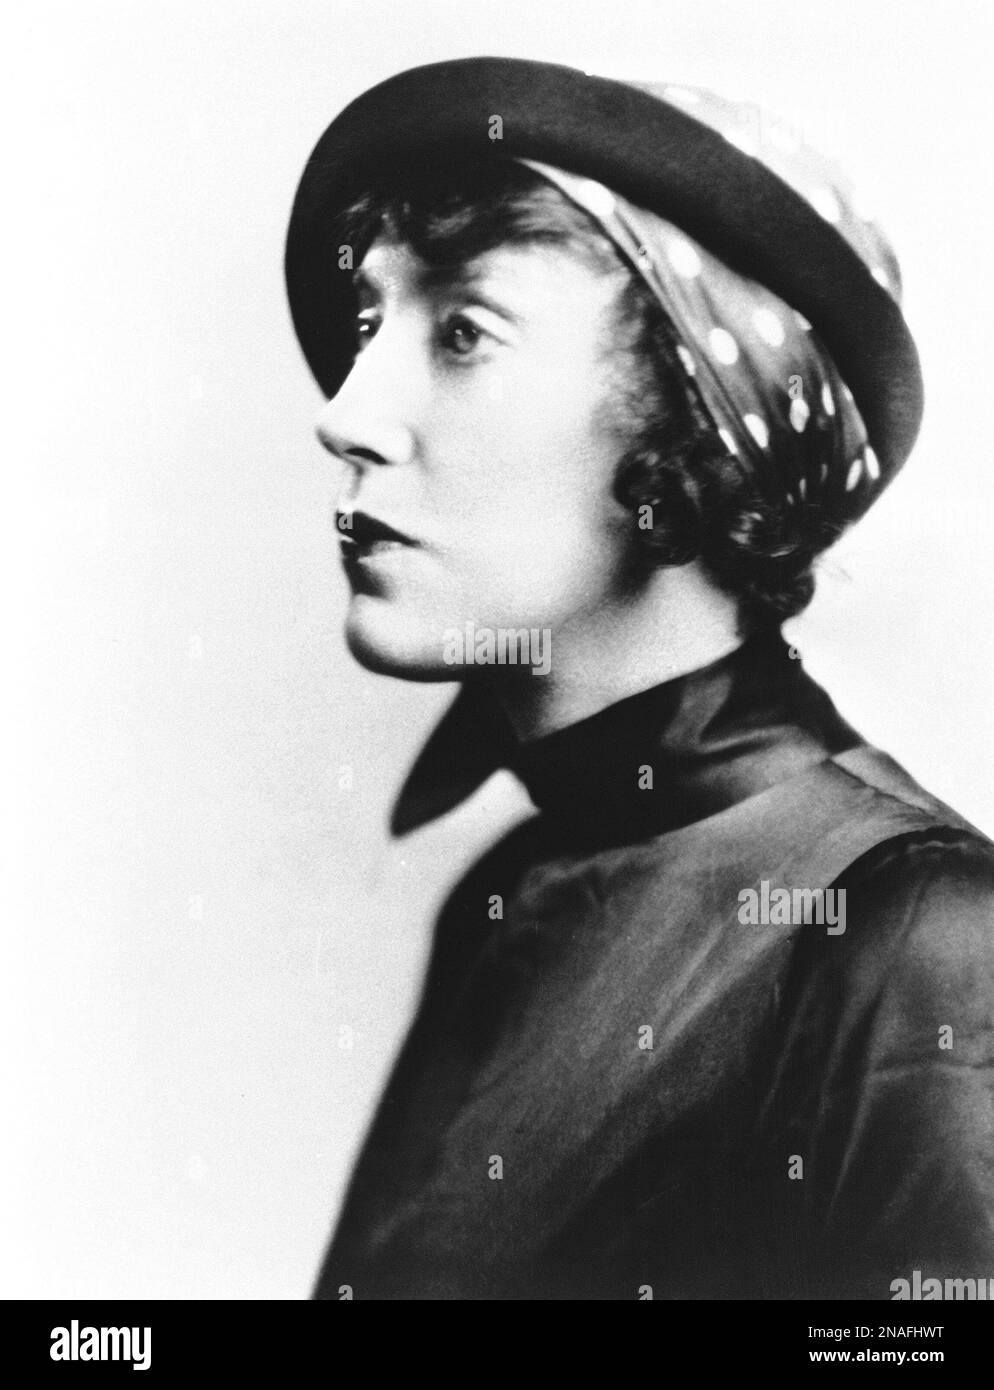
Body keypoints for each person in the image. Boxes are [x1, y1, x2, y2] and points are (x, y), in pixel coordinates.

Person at [284, 57, 994, 1300]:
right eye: (366, 327)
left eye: (461, 331)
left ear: (684, 438)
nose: (346, 412)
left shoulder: (915, 932)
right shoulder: (511, 894)